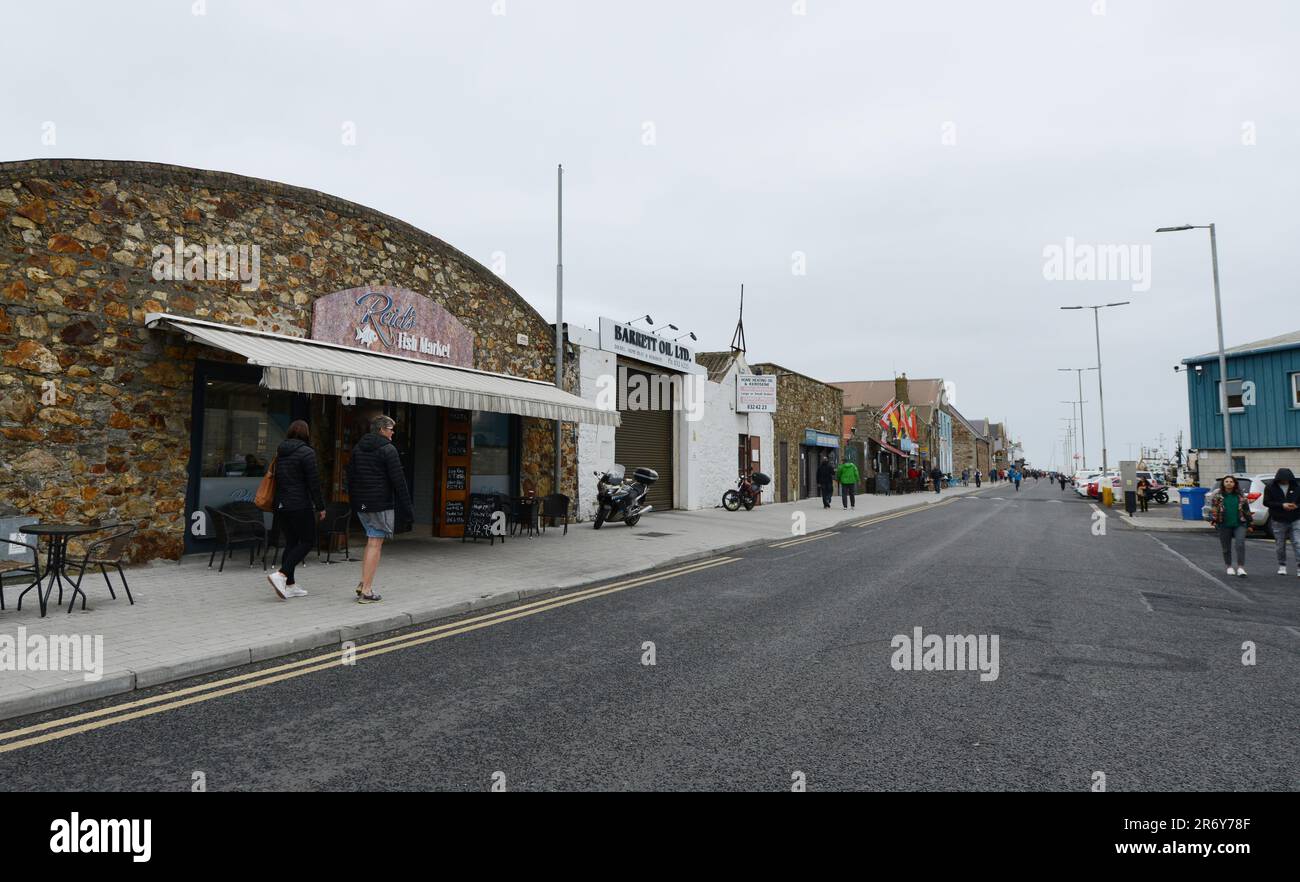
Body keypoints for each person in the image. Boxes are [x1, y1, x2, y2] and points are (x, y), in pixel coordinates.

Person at [348, 415, 414, 603]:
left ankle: (363, 582)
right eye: (391, 428)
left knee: (371, 542)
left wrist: (354, 502)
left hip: (361, 503)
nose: (393, 432)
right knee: (375, 544)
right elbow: (399, 481)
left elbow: (350, 476)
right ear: (381, 430)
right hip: (379, 503)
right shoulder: (388, 449)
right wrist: (408, 509)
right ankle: (367, 591)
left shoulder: (358, 448)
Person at [266, 420, 326, 600]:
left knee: (292, 542)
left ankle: (289, 585)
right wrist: (321, 506)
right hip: (299, 504)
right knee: (307, 541)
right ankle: (282, 574)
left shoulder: (280, 451)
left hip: (281, 505)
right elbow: (313, 483)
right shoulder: (306, 453)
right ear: (305, 434)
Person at [1210, 475, 1252, 577]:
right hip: (1224, 524)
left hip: (1240, 523)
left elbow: (1246, 510)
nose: (1229, 483)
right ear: (1223, 483)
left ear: (1234, 484)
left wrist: (1250, 523)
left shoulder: (1240, 495)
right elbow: (1214, 509)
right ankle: (1229, 566)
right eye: (1227, 481)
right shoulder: (1218, 495)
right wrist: (1215, 519)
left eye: (1231, 481)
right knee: (1226, 547)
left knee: (1240, 544)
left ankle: (1241, 567)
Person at [1263, 467, 1299, 576]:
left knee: (1298, 542)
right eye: (1283, 479)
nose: (1285, 481)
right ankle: (1282, 565)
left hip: (1295, 518)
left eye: (1287, 479)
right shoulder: (1270, 487)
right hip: (1278, 519)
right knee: (1280, 544)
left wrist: (1296, 506)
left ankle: (1299, 567)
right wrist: (1282, 505)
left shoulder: (1297, 487)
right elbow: (1266, 502)